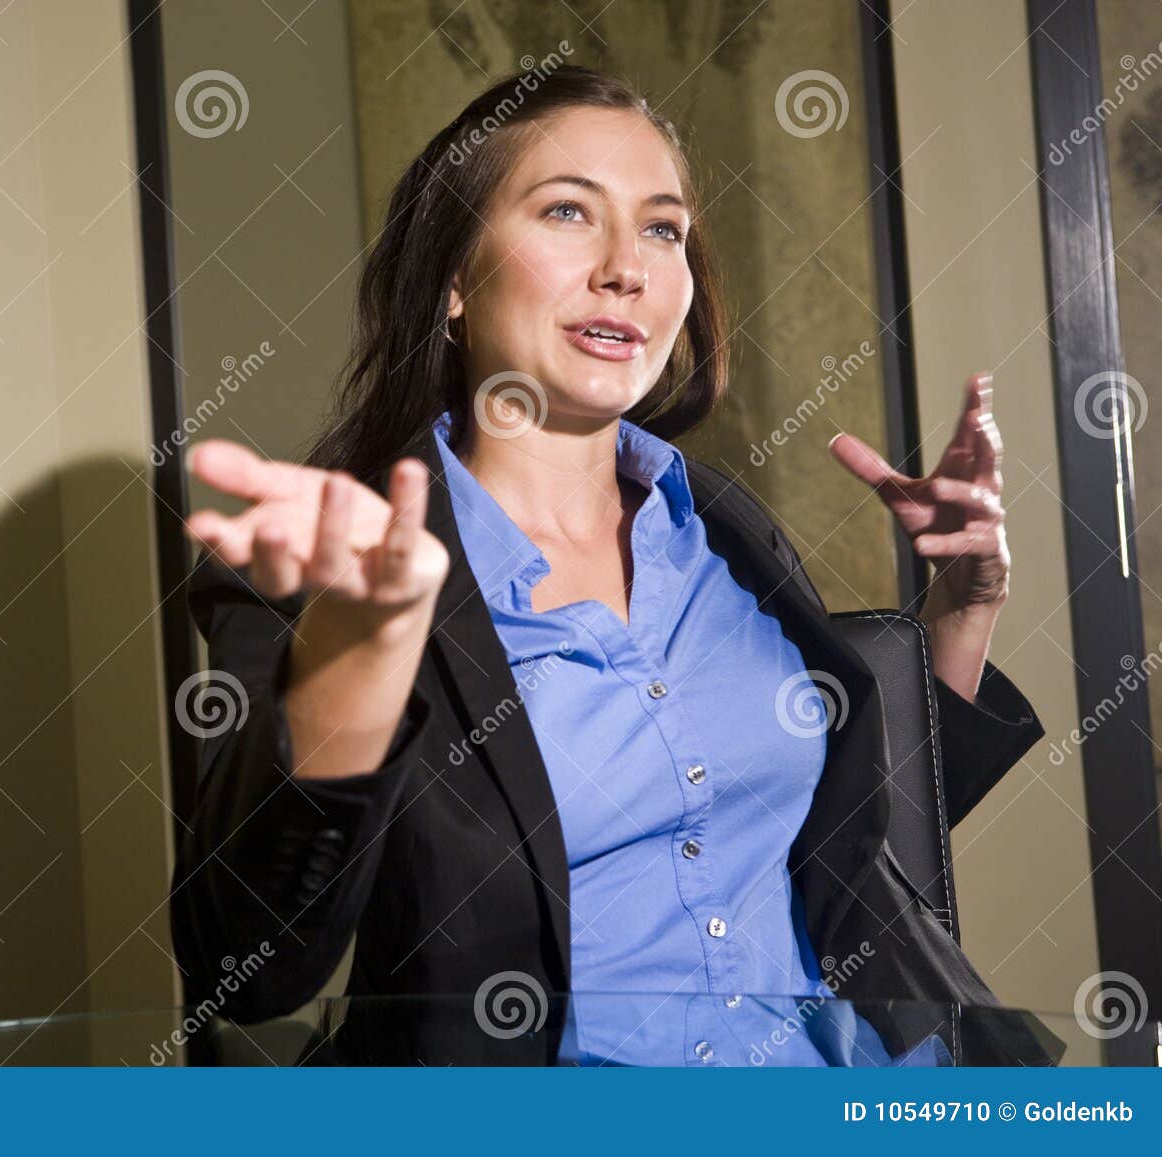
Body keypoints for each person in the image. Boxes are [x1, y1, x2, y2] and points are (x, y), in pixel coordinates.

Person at [171, 65, 1058, 1066]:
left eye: (663, 228)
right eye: (566, 212)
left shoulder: (723, 527)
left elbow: (846, 836)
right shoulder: (333, 565)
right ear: (453, 280)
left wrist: (961, 604)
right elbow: (242, 962)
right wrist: (356, 655)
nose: (625, 267)